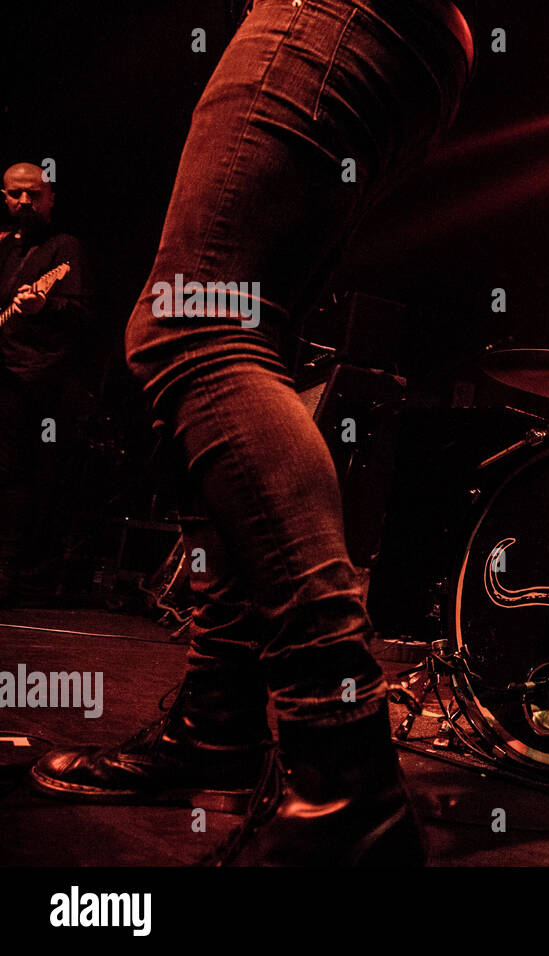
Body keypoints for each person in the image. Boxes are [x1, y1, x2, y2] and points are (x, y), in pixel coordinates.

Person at [30, 0, 476, 866]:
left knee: (188, 327)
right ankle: (220, 724)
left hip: (339, 14)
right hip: (407, 40)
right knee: (240, 330)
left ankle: (346, 771)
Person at [0, 162, 92, 605]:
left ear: (50, 198)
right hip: (4, 375)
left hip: (38, 381)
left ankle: (16, 580)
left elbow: (81, 313)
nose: (24, 202)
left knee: (24, 480)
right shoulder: (3, 249)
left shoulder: (64, 247)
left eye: (34, 194)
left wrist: (45, 307)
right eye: (16, 194)